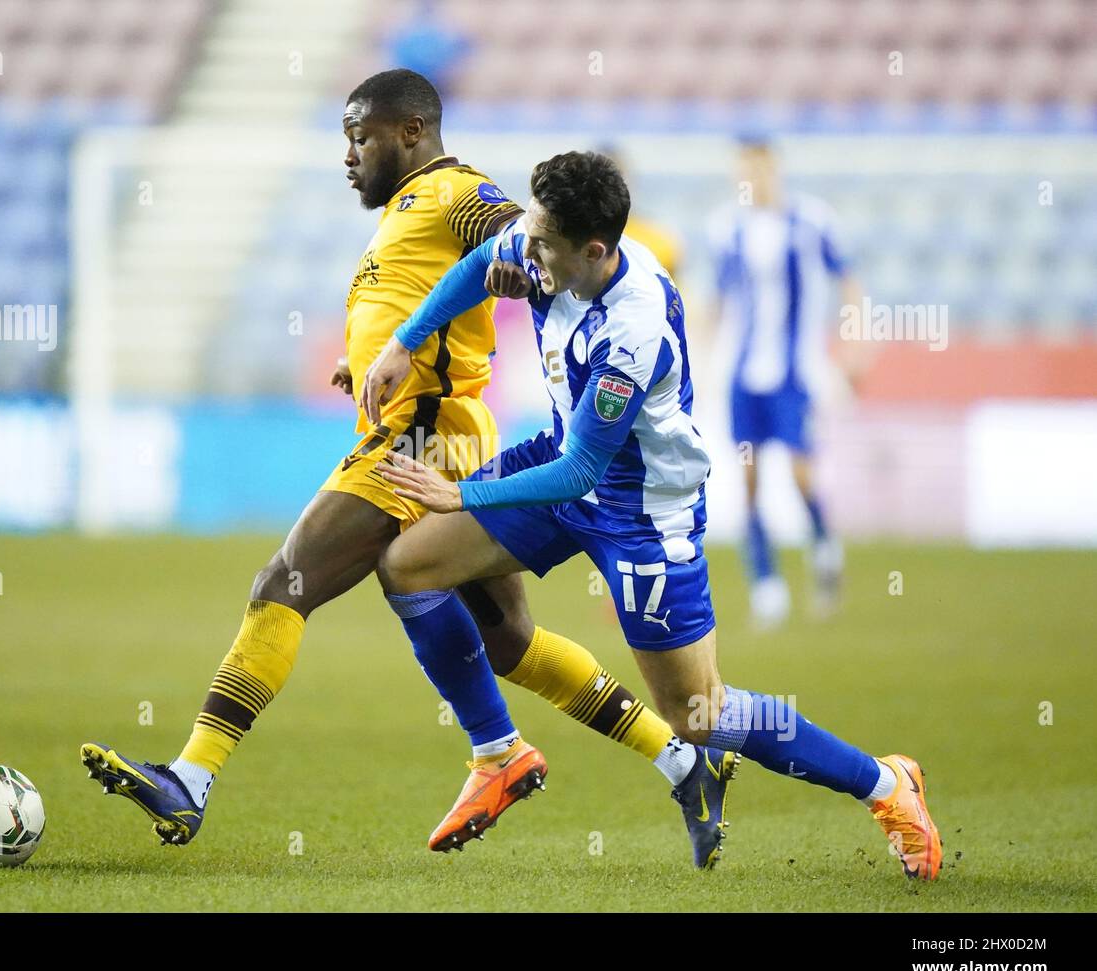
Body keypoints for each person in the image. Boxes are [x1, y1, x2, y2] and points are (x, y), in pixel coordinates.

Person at [80, 70, 734, 866]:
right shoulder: (400, 214)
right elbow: (422, 305)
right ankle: (677, 760)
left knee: (284, 581)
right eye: (346, 140)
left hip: (422, 442)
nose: (350, 155)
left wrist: (520, 268)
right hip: (430, 431)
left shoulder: (455, 190)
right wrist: (368, 361)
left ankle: (192, 776)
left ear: (413, 132)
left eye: (363, 137)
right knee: (511, 644)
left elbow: (509, 229)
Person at [363, 150, 941, 880]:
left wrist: (461, 495)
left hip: (640, 511)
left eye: (542, 245)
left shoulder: (632, 333)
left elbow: (583, 470)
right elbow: (485, 263)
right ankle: (497, 753)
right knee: (409, 565)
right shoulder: (552, 245)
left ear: (595, 251)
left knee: (700, 714)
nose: (527, 252)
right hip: (561, 457)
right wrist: (403, 343)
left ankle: (886, 784)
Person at [708, 136, 864, 627]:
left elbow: (849, 282)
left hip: (794, 373)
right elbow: (716, 301)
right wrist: (698, 356)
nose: (750, 180)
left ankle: (823, 545)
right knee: (749, 480)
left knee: (799, 474)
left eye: (758, 170)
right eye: (743, 171)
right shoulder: (727, 228)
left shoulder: (812, 221)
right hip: (742, 373)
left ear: (775, 171)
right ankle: (767, 585)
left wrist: (854, 343)